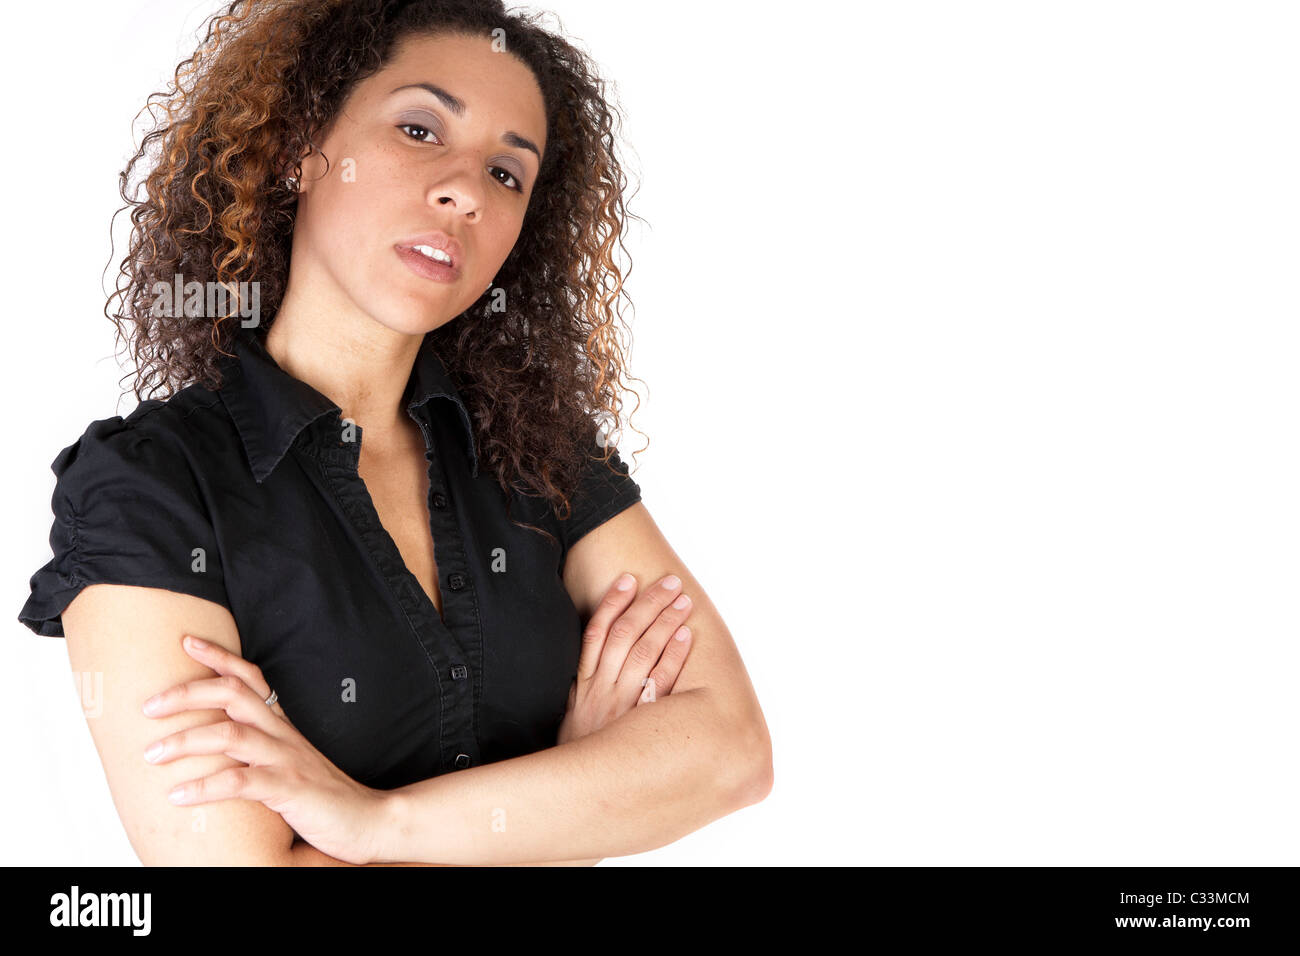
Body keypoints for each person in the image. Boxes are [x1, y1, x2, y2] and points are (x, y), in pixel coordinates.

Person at [17, 0, 771, 866]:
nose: (463, 189)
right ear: (301, 148)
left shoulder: (541, 457)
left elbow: (733, 752)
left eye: (507, 174)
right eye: (419, 129)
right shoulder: (150, 488)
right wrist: (574, 798)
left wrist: (374, 826)